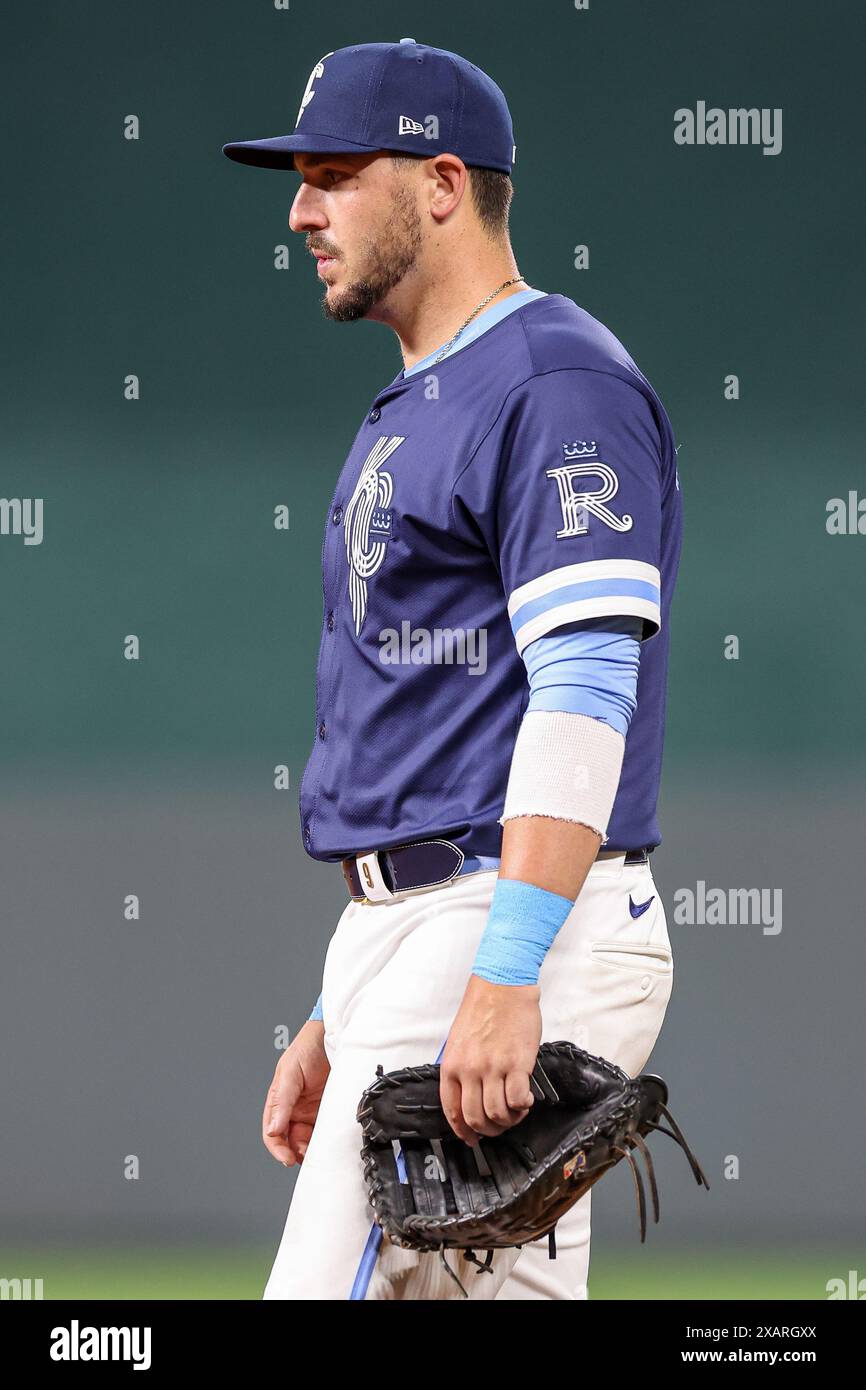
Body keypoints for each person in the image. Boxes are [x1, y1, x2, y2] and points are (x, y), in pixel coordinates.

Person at [223, 37, 683, 1300]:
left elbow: (586, 690)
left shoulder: (552, 382)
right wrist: (343, 997)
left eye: (331, 173)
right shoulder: (428, 393)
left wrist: (503, 969)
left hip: (502, 919)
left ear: (438, 183)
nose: (300, 209)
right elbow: (433, 731)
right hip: (424, 926)